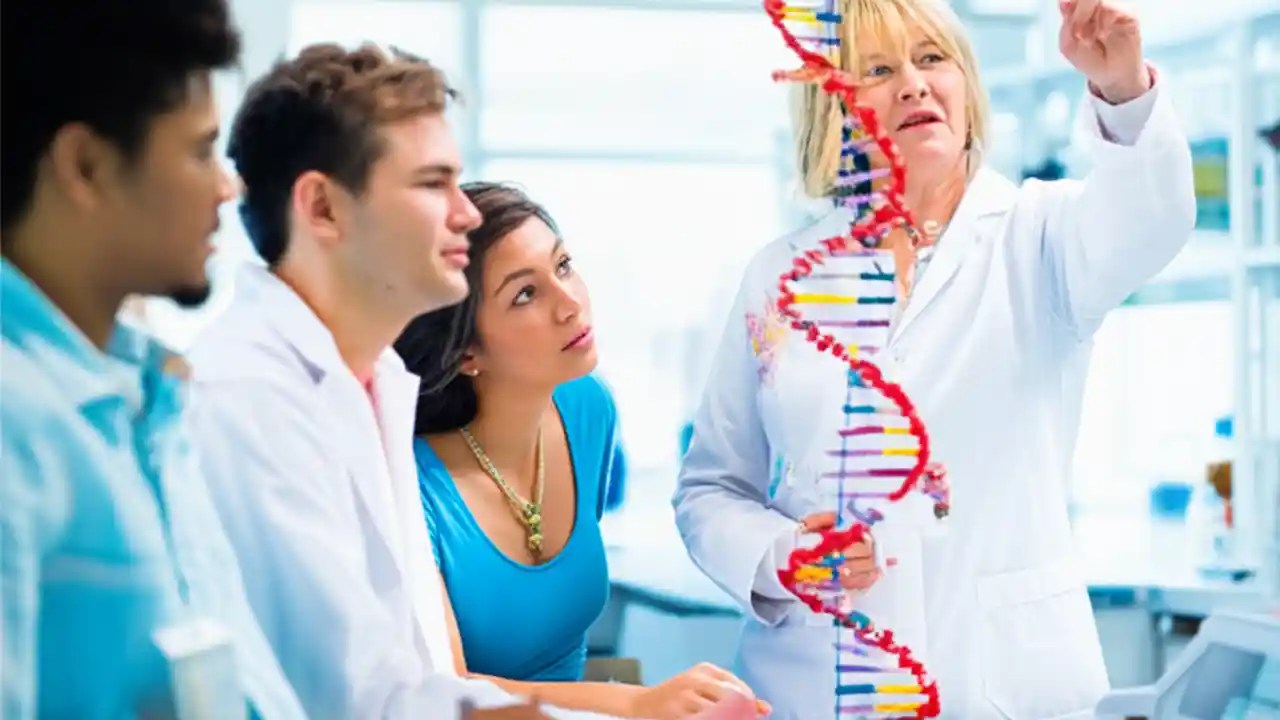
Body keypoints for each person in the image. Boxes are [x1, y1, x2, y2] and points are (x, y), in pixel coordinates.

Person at [672, 0, 1195, 718]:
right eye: (880, 70)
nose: (914, 84)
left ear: (966, 84)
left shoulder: (1040, 236)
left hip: (995, 680)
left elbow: (1150, 223)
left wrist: (1123, 91)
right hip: (815, 678)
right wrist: (778, 552)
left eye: (931, 58)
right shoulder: (778, 275)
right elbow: (709, 488)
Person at [185, 42, 623, 720]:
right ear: (324, 209)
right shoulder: (243, 397)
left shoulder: (379, 380)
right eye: (431, 184)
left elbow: (414, 675)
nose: (466, 214)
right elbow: (350, 695)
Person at [0, 1, 306, 718]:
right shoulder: (17, 422)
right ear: (86, 166)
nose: (226, 186)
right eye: (201, 151)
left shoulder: (144, 402)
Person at [395, 182, 767, 720]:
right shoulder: (413, 486)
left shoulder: (587, 410)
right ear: (466, 350)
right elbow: (447, 686)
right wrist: (636, 702)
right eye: (525, 294)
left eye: (563, 265)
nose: (570, 304)